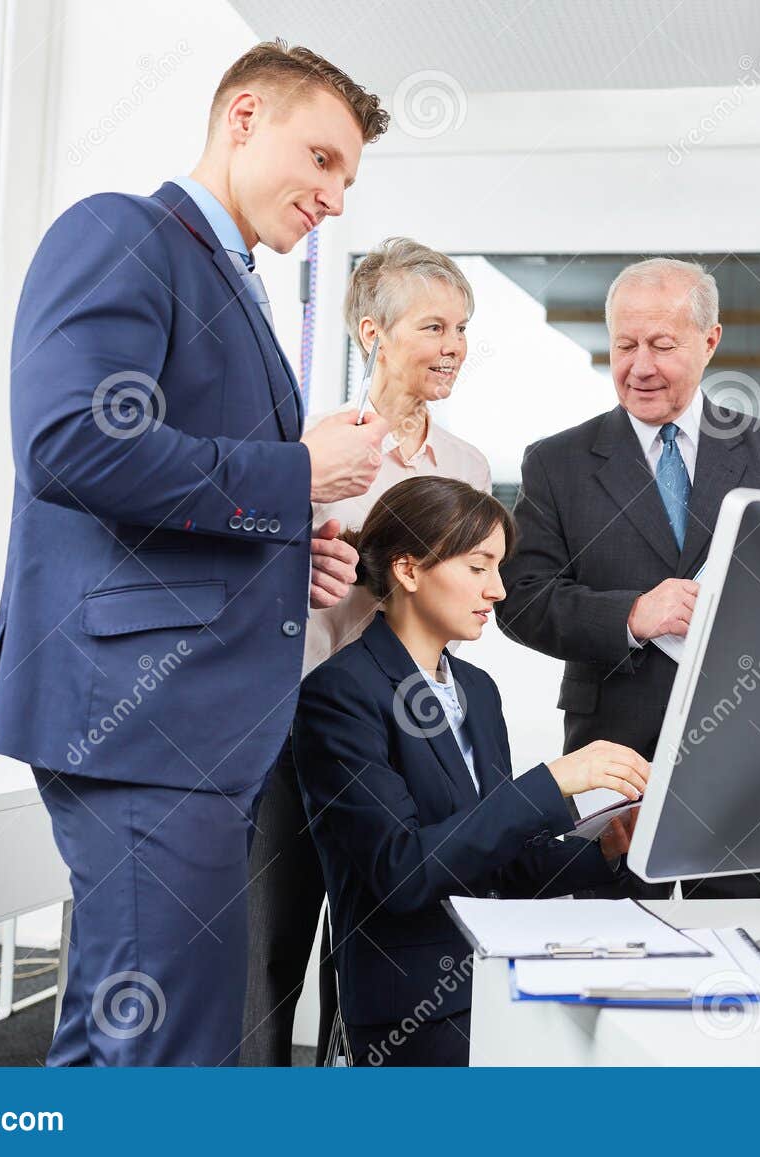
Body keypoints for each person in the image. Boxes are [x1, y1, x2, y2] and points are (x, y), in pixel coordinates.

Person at [0, 41, 392, 1066]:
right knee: (173, 1044)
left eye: (348, 176)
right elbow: (69, 441)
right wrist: (296, 476)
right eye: (324, 159)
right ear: (243, 117)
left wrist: (292, 548)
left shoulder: (231, 276)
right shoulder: (121, 232)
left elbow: (182, 489)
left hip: (193, 723)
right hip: (140, 719)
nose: (335, 196)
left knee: (121, 1028)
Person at [293, 476, 647, 1066]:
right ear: (408, 570)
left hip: (501, 982)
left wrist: (607, 850)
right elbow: (402, 872)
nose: (500, 590)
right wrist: (551, 784)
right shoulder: (340, 694)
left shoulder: (477, 692)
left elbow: (501, 861)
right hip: (409, 1006)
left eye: (500, 569)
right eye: (480, 567)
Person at [498, 257, 760, 901]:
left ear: (710, 341)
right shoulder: (556, 462)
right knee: (610, 962)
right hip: (613, 758)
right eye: (624, 345)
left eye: (662, 345)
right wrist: (629, 616)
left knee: (754, 955)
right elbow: (522, 601)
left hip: (751, 758)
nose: (639, 366)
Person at [242, 239, 492, 1066]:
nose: (453, 345)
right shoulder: (313, 446)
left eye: (461, 327)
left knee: (377, 948)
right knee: (272, 946)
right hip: (299, 726)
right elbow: (248, 586)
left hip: (408, 740)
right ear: (372, 334)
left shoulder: (466, 466)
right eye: (433, 325)